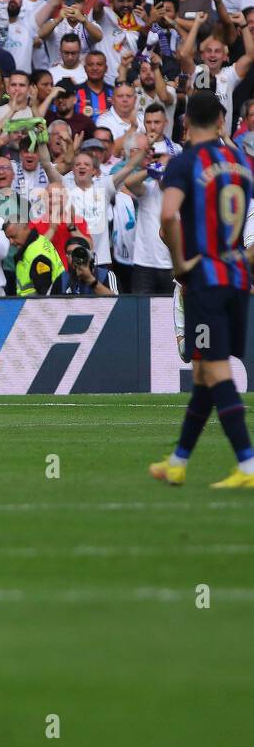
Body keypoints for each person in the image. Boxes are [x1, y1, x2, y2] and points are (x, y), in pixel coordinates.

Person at [151, 91, 254, 489]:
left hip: (205, 282)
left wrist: (181, 263)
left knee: (214, 369)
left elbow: (167, 215)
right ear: (223, 122)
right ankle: (177, 461)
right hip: (237, 280)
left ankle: (246, 462)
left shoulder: (186, 162)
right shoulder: (243, 164)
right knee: (203, 373)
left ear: (185, 122)